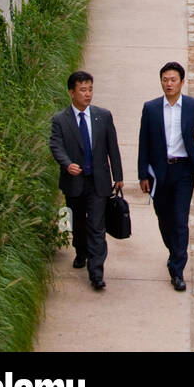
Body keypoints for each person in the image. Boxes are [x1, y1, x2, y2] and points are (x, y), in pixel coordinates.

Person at [138, 62, 194, 291]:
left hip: (184, 170)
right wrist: (143, 173)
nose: (169, 83)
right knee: (164, 218)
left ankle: (177, 270)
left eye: (173, 79)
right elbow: (144, 142)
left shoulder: (193, 106)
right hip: (159, 171)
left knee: (180, 219)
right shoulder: (151, 108)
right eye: (165, 79)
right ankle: (174, 251)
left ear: (182, 82)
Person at [49, 70, 124, 291]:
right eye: (83, 90)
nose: (88, 94)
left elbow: (113, 147)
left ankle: (96, 273)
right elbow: (56, 145)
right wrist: (66, 163)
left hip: (98, 182)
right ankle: (80, 250)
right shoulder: (60, 120)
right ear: (72, 92)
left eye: (90, 89)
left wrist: (118, 176)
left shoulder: (103, 116)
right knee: (77, 222)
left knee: (96, 226)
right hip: (74, 182)